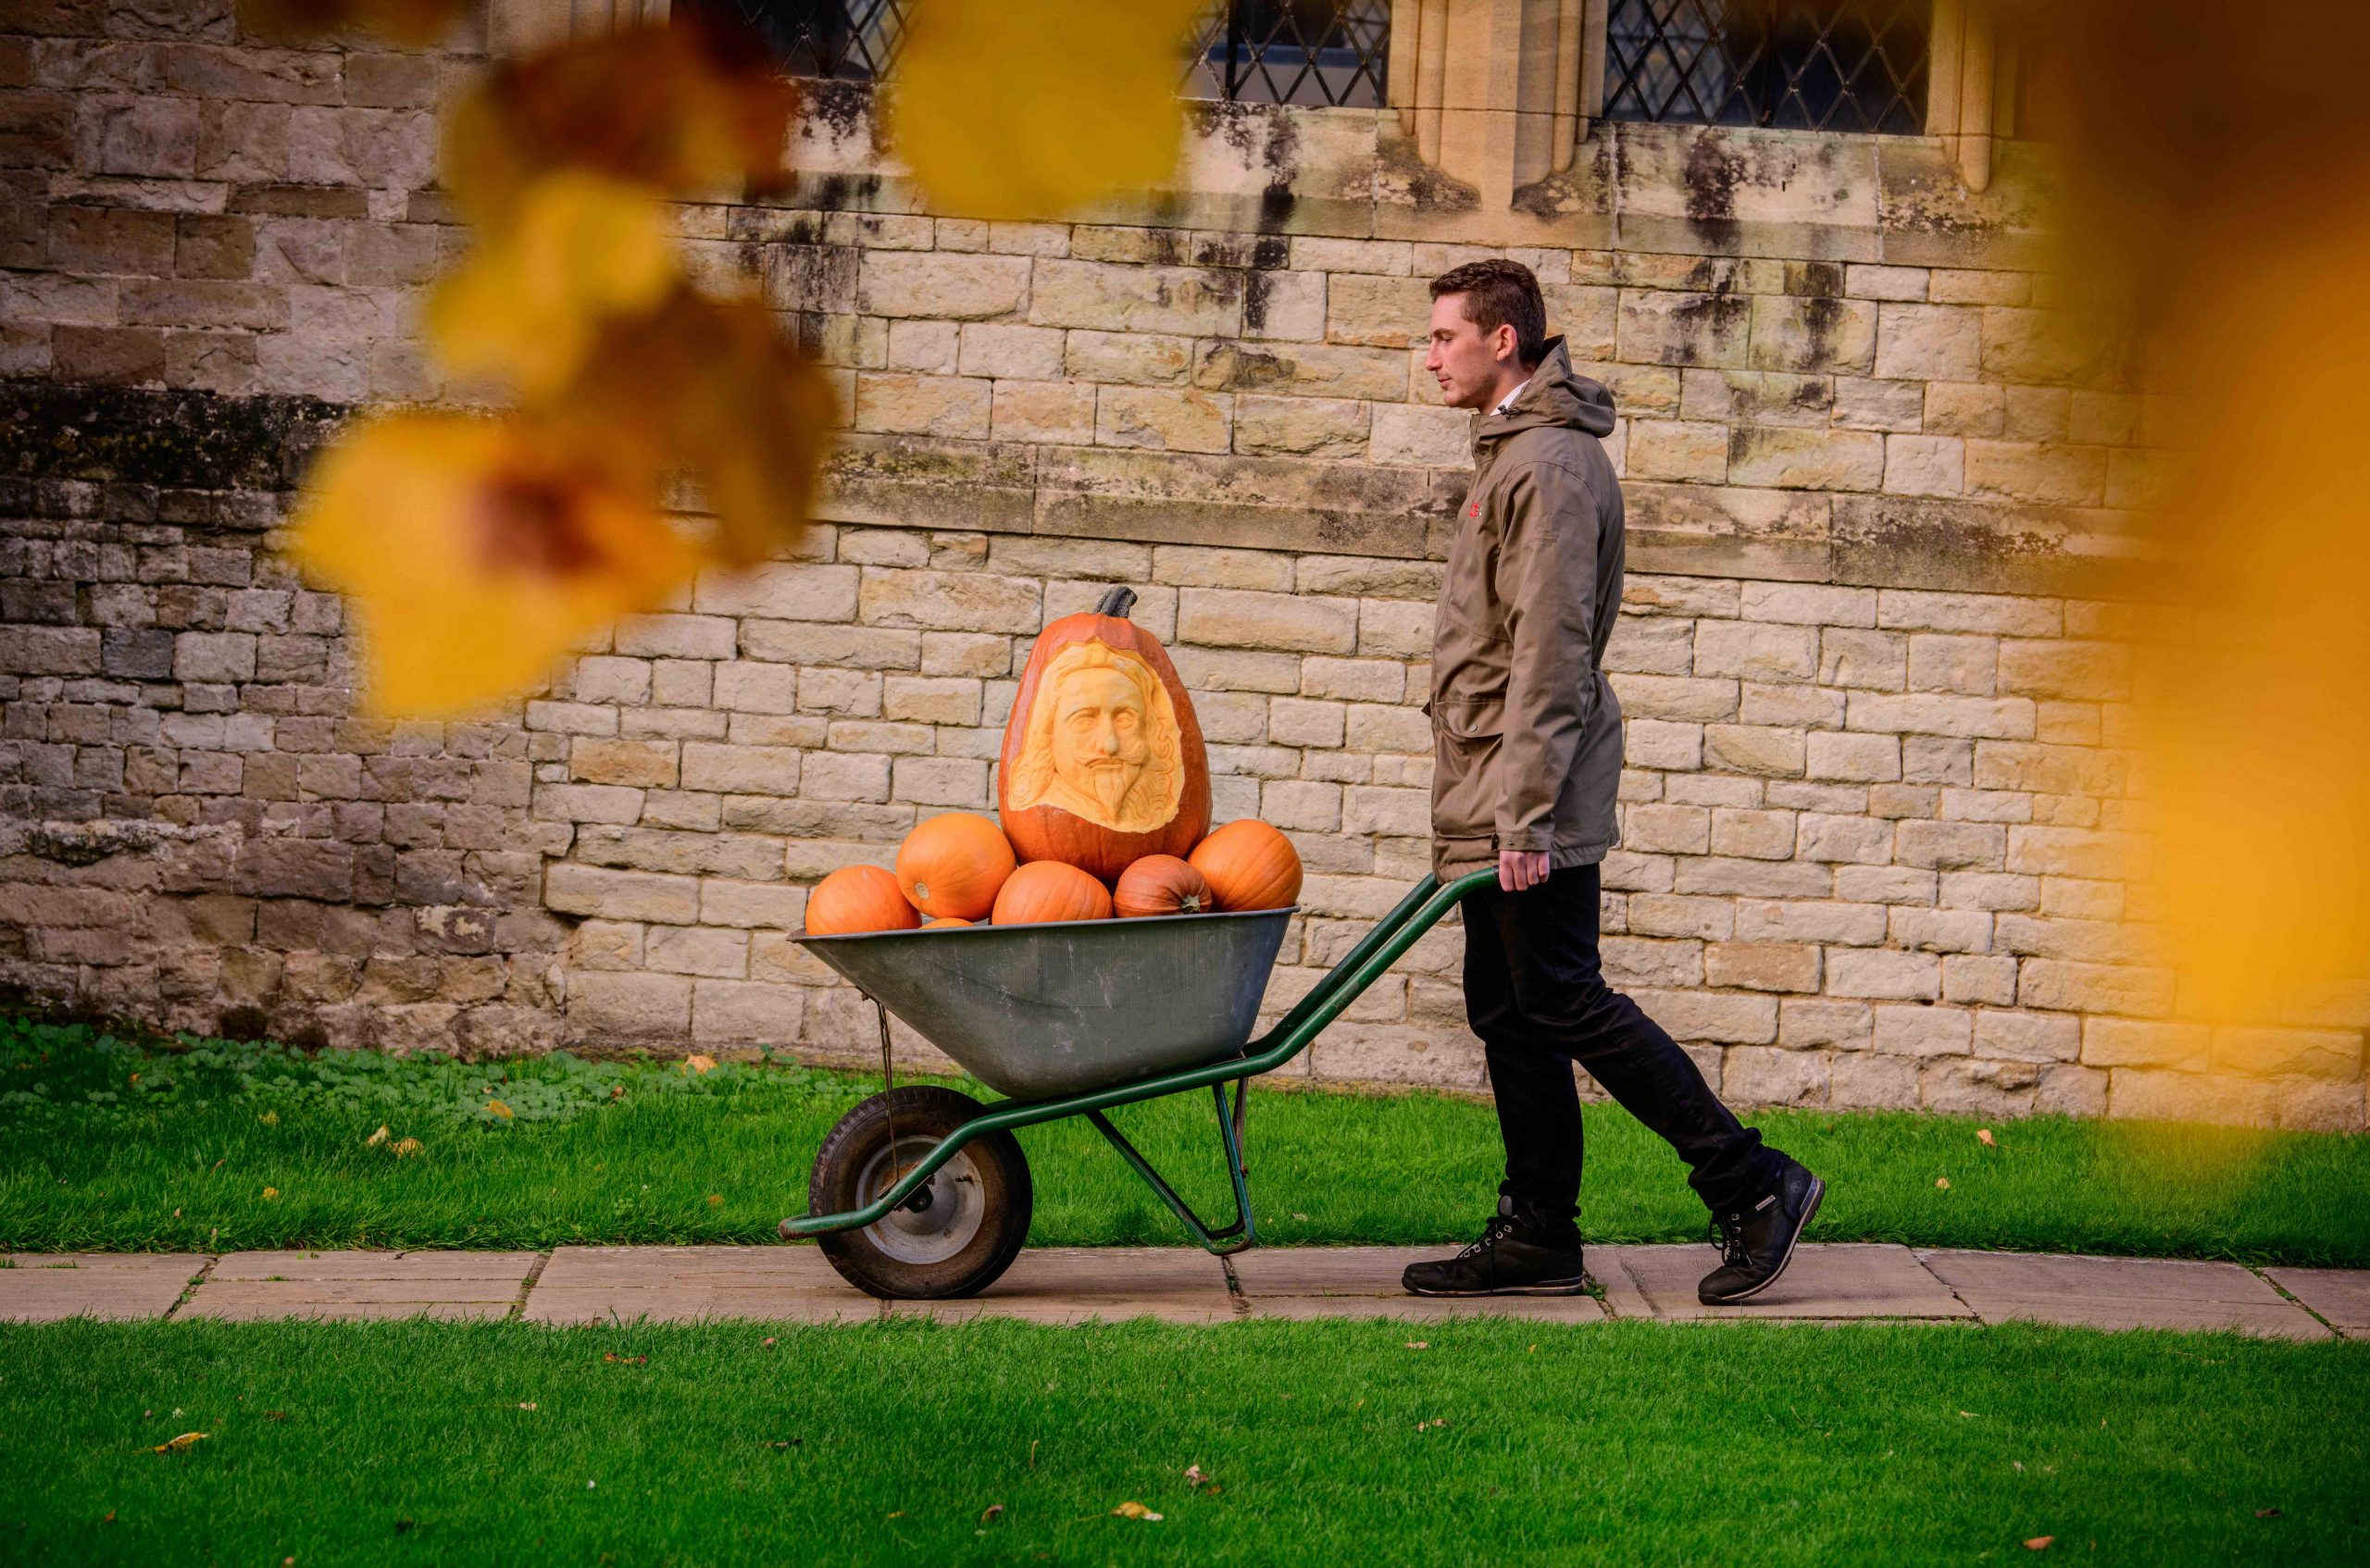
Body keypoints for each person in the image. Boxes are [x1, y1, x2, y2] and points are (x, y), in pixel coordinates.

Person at [1400, 259, 1825, 1306]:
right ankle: (1540, 1231)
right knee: (1507, 1006)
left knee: (1560, 994)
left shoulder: (1545, 464)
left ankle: (1752, 1179)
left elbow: (1551, 646)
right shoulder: (1516, 452)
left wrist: (1526, 811)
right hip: (1496, 779)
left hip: (1525, 790)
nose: (1430, 355)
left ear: (1505, 340)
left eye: (1445, 336)